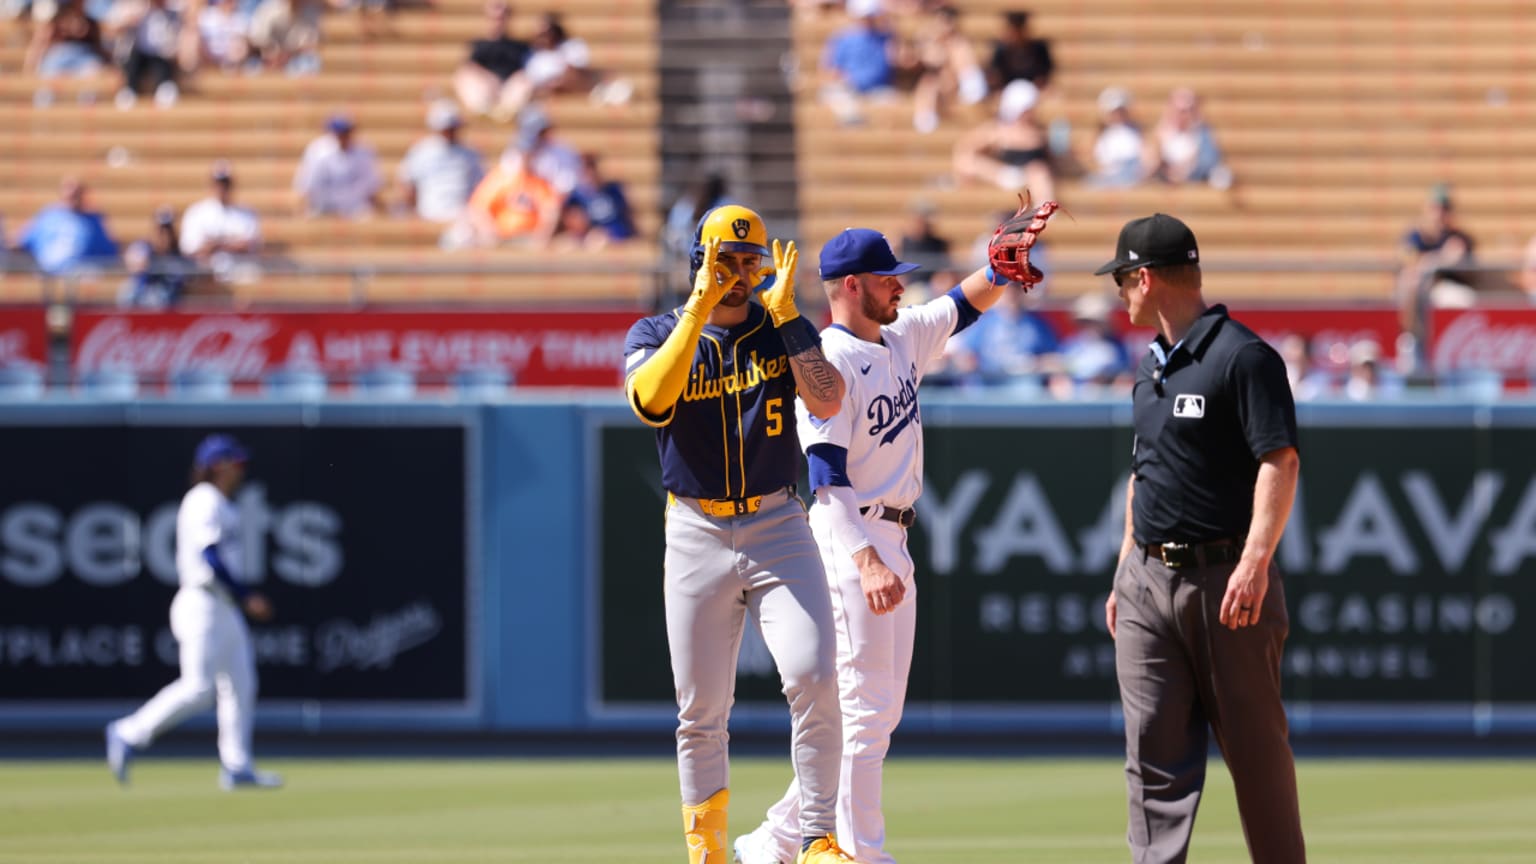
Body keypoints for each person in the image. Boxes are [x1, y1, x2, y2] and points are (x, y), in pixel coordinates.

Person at [735, 220, 1036, 864]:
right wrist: (866, 559)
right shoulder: (826, 361)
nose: (898, 285)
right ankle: (855, 852)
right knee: (864, 716)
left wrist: (999, 271)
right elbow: (826, 479)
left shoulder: (897, 338)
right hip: (851, 538)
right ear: (850, 286)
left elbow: (957, 308)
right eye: (885, 277)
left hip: (893, 534)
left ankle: (773, 842)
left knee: (874, 717)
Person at [621, 205, 859, 864]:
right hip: (695, 527)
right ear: (699, 259)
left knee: (814, 676)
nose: (741, 274)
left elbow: (829, 399)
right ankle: (707, 852)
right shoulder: (658, 329)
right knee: (700, 709)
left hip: (777, 520)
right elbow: (650, 402)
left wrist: (788, 318)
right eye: (727, 259)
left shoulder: (778, 325)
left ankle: (818, 839)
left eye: (750, 262)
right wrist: (697, 309)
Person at [1098, 213, 1306, 864]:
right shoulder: (1150, 367)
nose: (1119, 292)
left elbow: (1281, 460)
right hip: (1146, 583)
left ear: (1149, 277)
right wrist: (1125, 565)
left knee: (1257, 756)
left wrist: (1255, 561)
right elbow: (1142, 472)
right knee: (1152, 761)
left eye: (1123, 279)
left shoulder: (1242, 357)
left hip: (1225, 581)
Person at [105, 434, 283, 791]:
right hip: (202, 602)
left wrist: (239, 599)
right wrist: (247, 595)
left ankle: (237, 765)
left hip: (224, 608)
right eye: (237, 463)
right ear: (219, 465)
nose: (242, 470)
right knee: (199, 688)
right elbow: (210, 556)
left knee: (241, 684)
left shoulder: (224, 504)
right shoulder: (204, 499)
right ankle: (128, 732)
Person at [952, 78, 1055, 201]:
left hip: (1031, 177)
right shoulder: (997, 130)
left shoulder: (1041, 131)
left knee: (1038, 172)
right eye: (1027, 110)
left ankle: (1042, 209)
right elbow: (965, 149)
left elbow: (1053, 159)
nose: (1030, 114)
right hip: (1003, 175)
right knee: (966, 161)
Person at [397, 100, 485, 223]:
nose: (450, 132)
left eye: (453, 128)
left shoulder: (470, 153)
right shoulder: (421, 152)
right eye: (447, 128)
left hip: (462, 215)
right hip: (429, 213)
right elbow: (409, 186)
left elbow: (481, 187)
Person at [13, 176, 120, 276]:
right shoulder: (49, 215)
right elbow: (24, 240)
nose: (72, 199)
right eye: (69, 196)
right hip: (48, 272)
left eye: (76, 195)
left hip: (81, 274)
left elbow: (108, 249)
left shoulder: (93, 219)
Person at [909, 4, 986, 134]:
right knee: (929, 83)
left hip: (956, 84)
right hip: (942, 86)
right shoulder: (931, 41)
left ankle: (927, 117)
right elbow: (929, 60)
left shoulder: (961, 46)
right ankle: (926, 117)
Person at [292, 113, 384, 218]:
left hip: (355, 209)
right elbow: (308, 185)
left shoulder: (364, 151)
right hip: (323, 208)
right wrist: (301, 208)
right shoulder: (317, 151)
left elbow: (371, 187)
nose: (342, 136)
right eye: (339, 132)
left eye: (345, 131)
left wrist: (380, 209)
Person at [452, 0, 531, 120]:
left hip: (509, 89)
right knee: (463, 75)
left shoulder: (519, 46)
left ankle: (507, 111)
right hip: (485, 88)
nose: (498, 21)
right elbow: (470, 67)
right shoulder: (478, 45)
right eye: (495, 18)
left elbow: (525, 71)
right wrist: (490, 79)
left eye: (502, 17)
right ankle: (483, 109)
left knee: (525, 79)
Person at [180, 160, 263, 270]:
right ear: (211, 185)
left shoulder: (247, 214)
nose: (222, 189)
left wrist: (216, 245)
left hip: (239, 271)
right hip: (205, 273)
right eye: (218, 184)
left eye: (225, 184)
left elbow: (251, 246)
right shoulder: (196, 213)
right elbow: (190, 248)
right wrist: (229, 244)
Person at [1145, 87, 1230, 189]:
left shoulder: (1203, 134)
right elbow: (1149, 164)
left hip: (1194, 182)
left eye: (1187, 111)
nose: (1182, 115)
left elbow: (1208, 161)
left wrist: (1184, 170)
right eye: (1179, 110)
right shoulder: (1159, 134)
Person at [118, 206, 194, 308]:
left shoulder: (178, 254)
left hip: (168, 298)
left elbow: (186, 276)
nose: (164, 235)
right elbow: (132, 262)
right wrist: (149, 261)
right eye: (160, 230)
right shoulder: (143, 247)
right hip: (142, 293)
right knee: (128, 292)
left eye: (168, 231)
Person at [1088, 86, 1145, 188]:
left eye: (1120, 111)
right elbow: (1092, 159)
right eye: (1114, 112)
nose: (1117, 115)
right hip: (1106, 177)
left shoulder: (1136, 132)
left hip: (1130, 175)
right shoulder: (1100, 134)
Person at [985, 10, 1052, 92]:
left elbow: (1044, 74)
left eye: (1018, 31)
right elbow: (995, 75)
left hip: (1034, 89)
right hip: (1007, 90)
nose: (1015, 36)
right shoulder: (1001, 50)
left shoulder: (1039, 49)